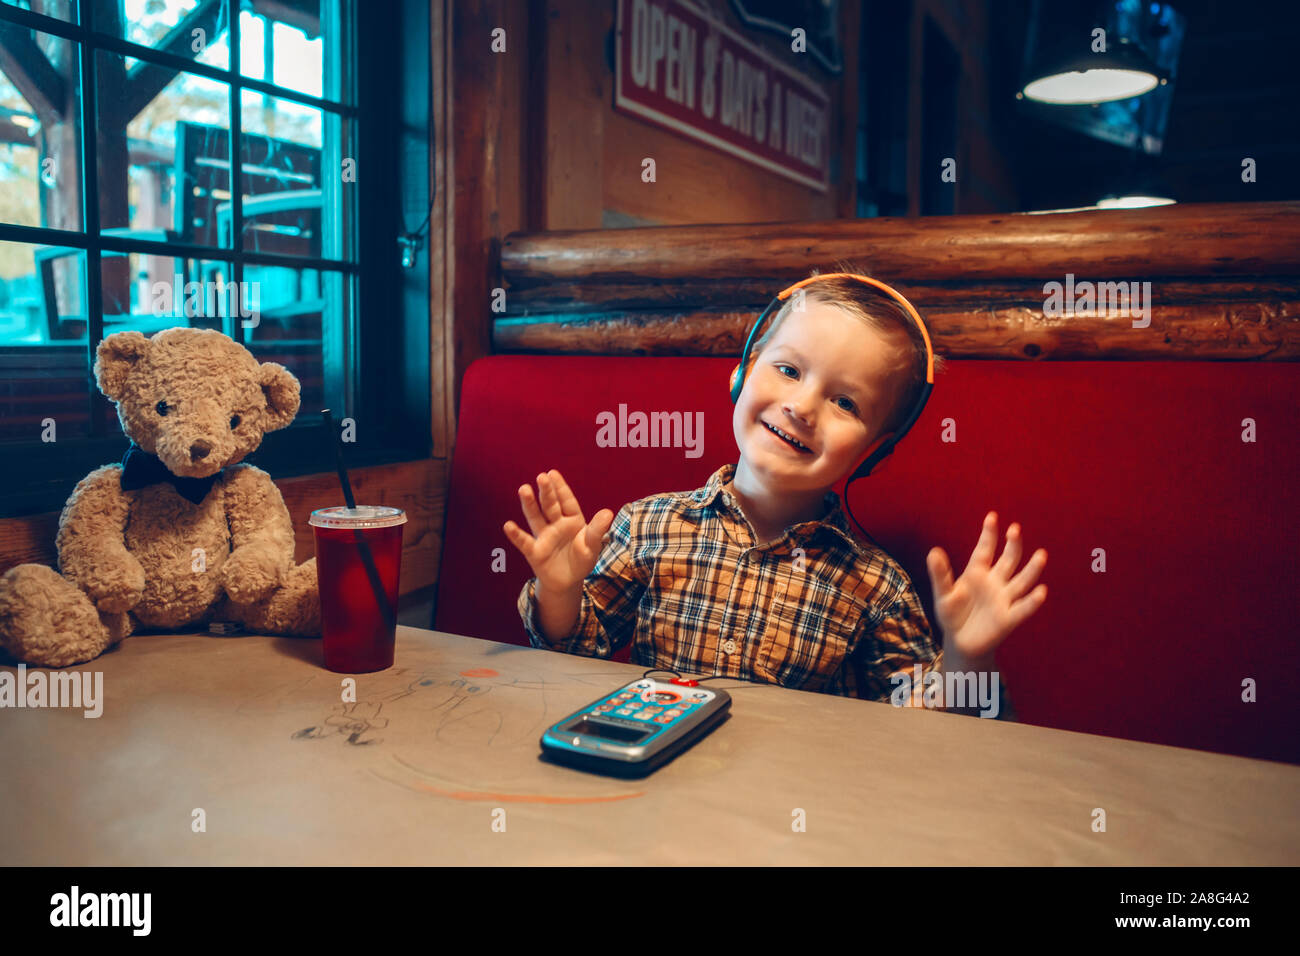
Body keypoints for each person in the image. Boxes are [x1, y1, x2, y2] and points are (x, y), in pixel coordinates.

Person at [504, 271, 1047, 717]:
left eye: (846, 403)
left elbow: (924, 729)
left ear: (873, 453)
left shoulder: (876, 586)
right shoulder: (649, 526)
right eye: (788, 370)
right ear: (741, 374)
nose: (803, 407)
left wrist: (966, 657)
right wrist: (560, 590)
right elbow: (576, 651)